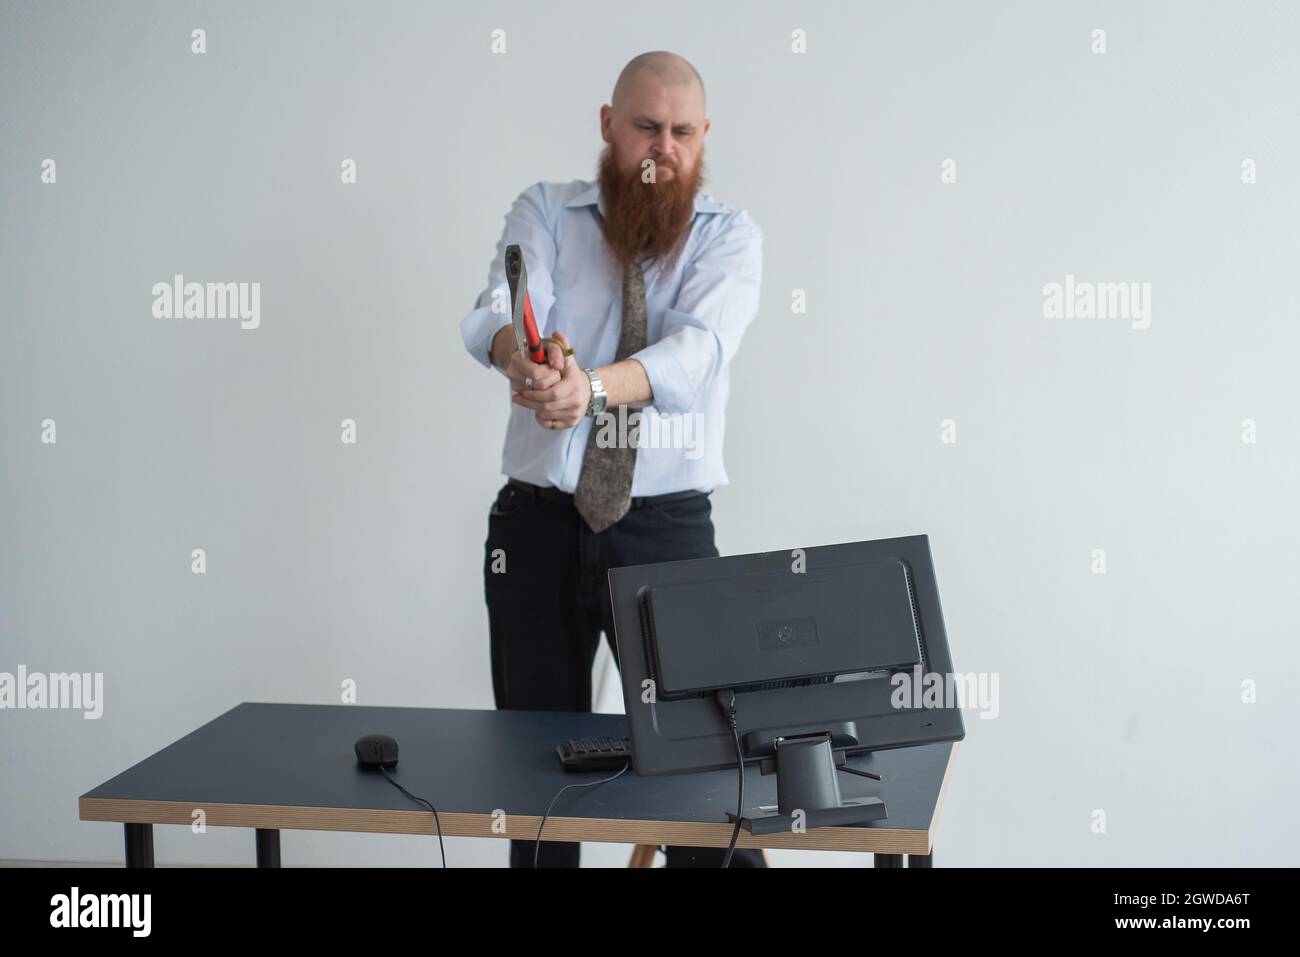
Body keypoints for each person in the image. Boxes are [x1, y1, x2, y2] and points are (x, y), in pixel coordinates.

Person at [460, 51, 764, 867]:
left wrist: (589, 388)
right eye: (645, 128)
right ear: (607, 126)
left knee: (707, 791)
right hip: (535, 529)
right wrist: (521, 359)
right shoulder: (548, 211)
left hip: (665, 534)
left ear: (703, 139)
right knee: (537, 790)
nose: (662, 149)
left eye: (682, 132)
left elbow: (695, 357)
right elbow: (496, 310)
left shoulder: (728, 236)